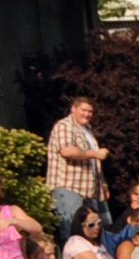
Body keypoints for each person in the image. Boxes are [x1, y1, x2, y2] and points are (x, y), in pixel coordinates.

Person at [45, 96, 107, 237]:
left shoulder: (86, 129)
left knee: (87, 232)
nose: (87, 114)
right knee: (71, 231)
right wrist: (95, 153)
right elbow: (67, 151)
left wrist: (103, 184)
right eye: (83, 110)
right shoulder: (65, 126)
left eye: (90, 111)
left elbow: (92, 162)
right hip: (68, 187)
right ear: (73, 108)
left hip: (87, 190)